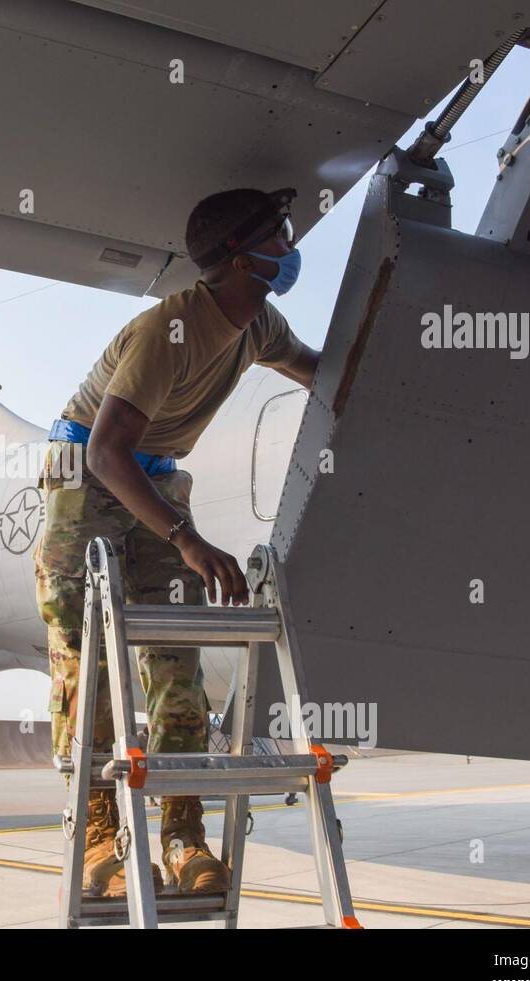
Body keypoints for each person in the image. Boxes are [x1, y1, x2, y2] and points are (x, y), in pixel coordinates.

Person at [34, 188, 319, 898]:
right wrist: (186, 538)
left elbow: (321, 370)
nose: (290, 245)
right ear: (237, 256)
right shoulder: (172, 330)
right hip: (88, 472)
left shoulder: (259, 326)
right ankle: (98, 836)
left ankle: (184, 833)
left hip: (154, 475)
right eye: (278, 234)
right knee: (87, 659)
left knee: (176, 662)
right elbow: (105, 452)